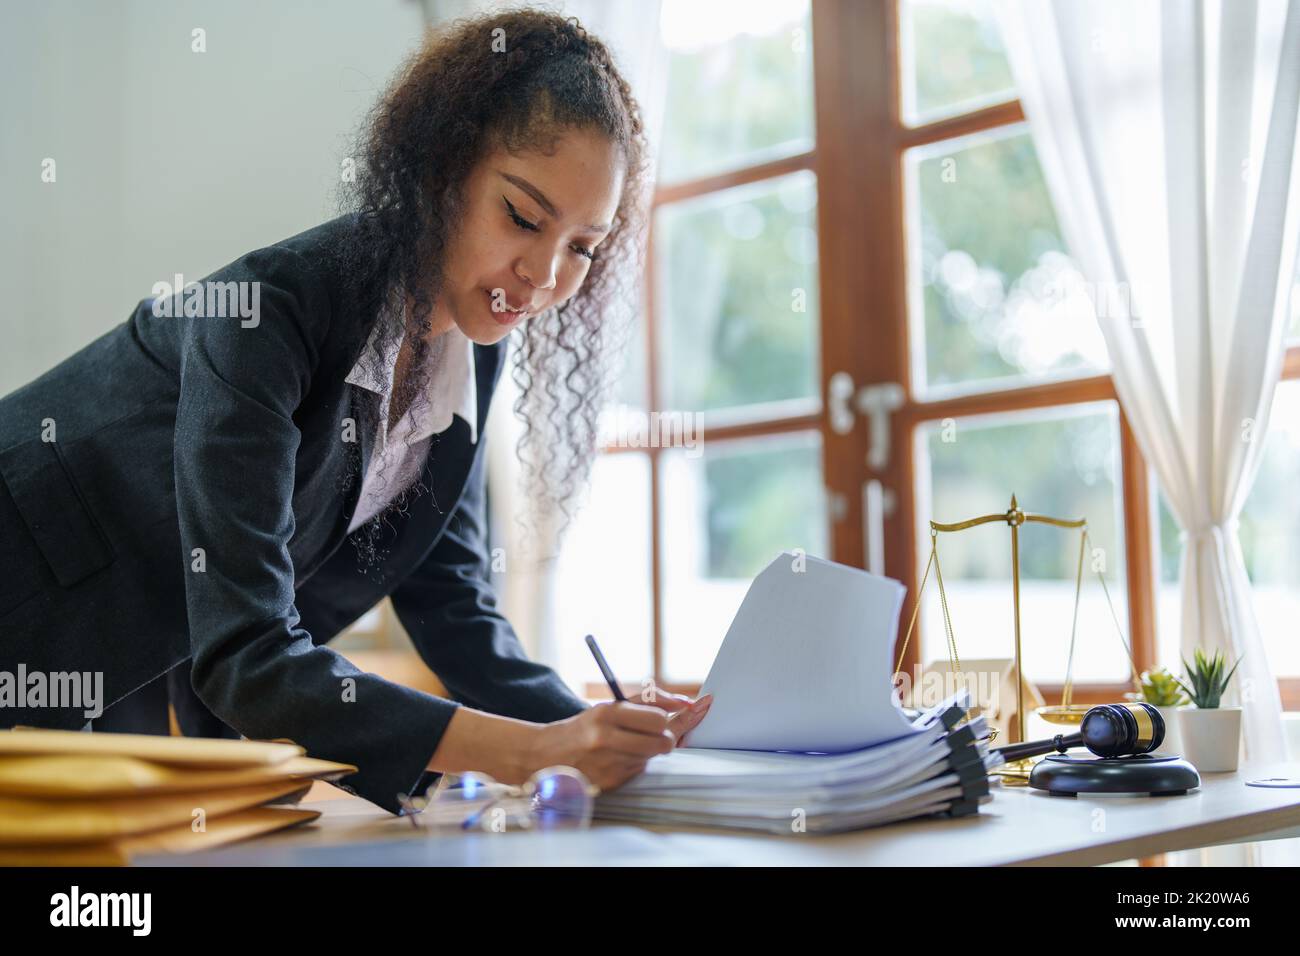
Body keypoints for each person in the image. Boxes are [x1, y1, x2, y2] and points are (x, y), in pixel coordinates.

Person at [0, 8, 712, 814]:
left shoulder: (472, 349)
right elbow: (251, 656)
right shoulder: (267, 313)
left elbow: (456, 613)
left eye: (583, 246)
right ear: (442, 172)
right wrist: (534, 752)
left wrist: (594, 729)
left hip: (127, 664)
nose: (545, 274)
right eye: (522, 216)